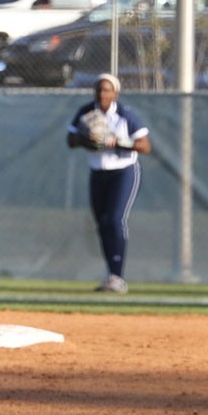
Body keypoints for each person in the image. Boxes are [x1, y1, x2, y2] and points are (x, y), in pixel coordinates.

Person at [66, 73, 152, 293]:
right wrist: (86, 138)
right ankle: (111, 275)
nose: (102, 94)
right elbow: (71, 140)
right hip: (98, 173)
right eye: (99, 89)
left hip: (124, 171)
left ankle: (118, 277)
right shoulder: (87, 113)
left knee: (115, 219)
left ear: (115, 93)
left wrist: (116, 141)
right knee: (103, 223)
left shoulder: (124, 114)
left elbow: (144, 146)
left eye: (107, 89)